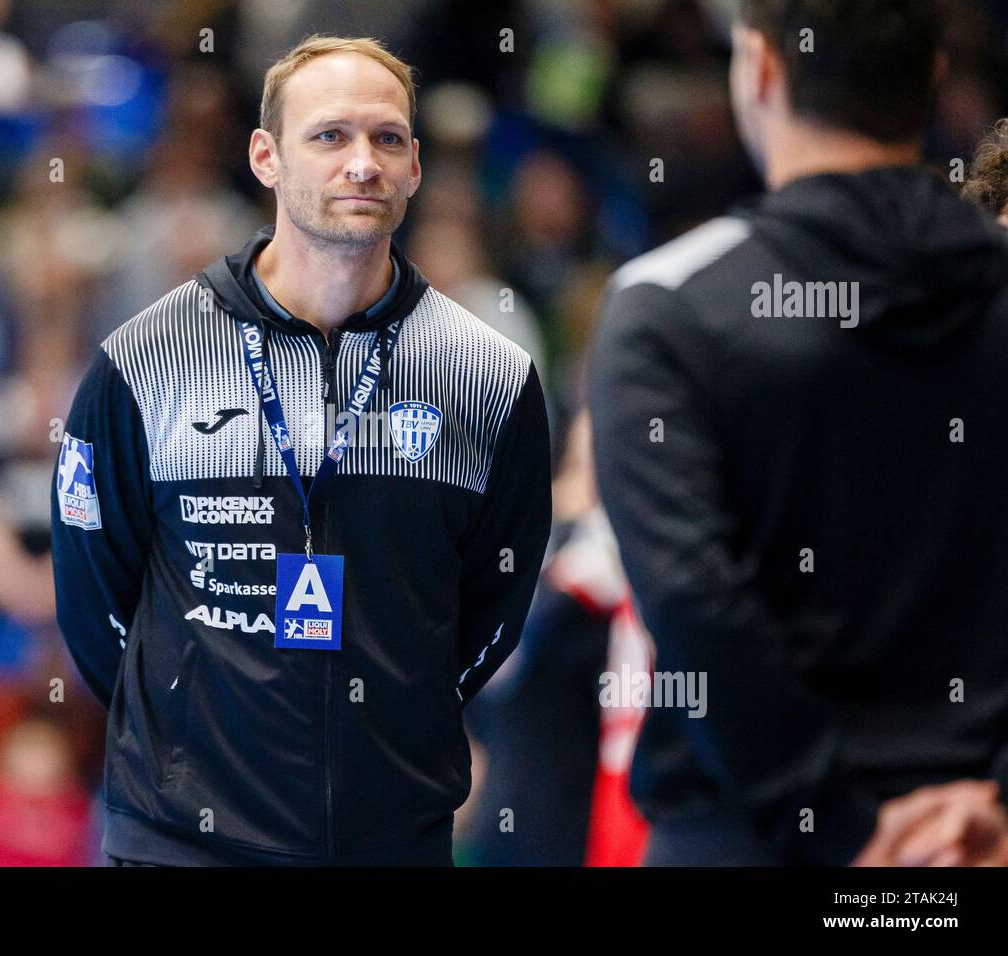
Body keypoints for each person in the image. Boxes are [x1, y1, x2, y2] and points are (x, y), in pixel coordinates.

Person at [50, 35, 551, 866]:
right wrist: (184, 730)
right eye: (330, 136)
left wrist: (397, 713)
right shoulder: (145, 360)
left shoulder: (486, 375)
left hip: (390, 837)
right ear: (266, 156)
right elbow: (93, 602)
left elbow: (495, 606)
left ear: (417, 166)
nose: (363, 162)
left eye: (387, 138)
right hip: (183, 840)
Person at [590, 0, 1008, 866]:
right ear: (932, 74)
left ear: (762, 69)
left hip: (747, 840)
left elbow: (696, 599)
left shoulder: (668, 309)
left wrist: (842, 830)